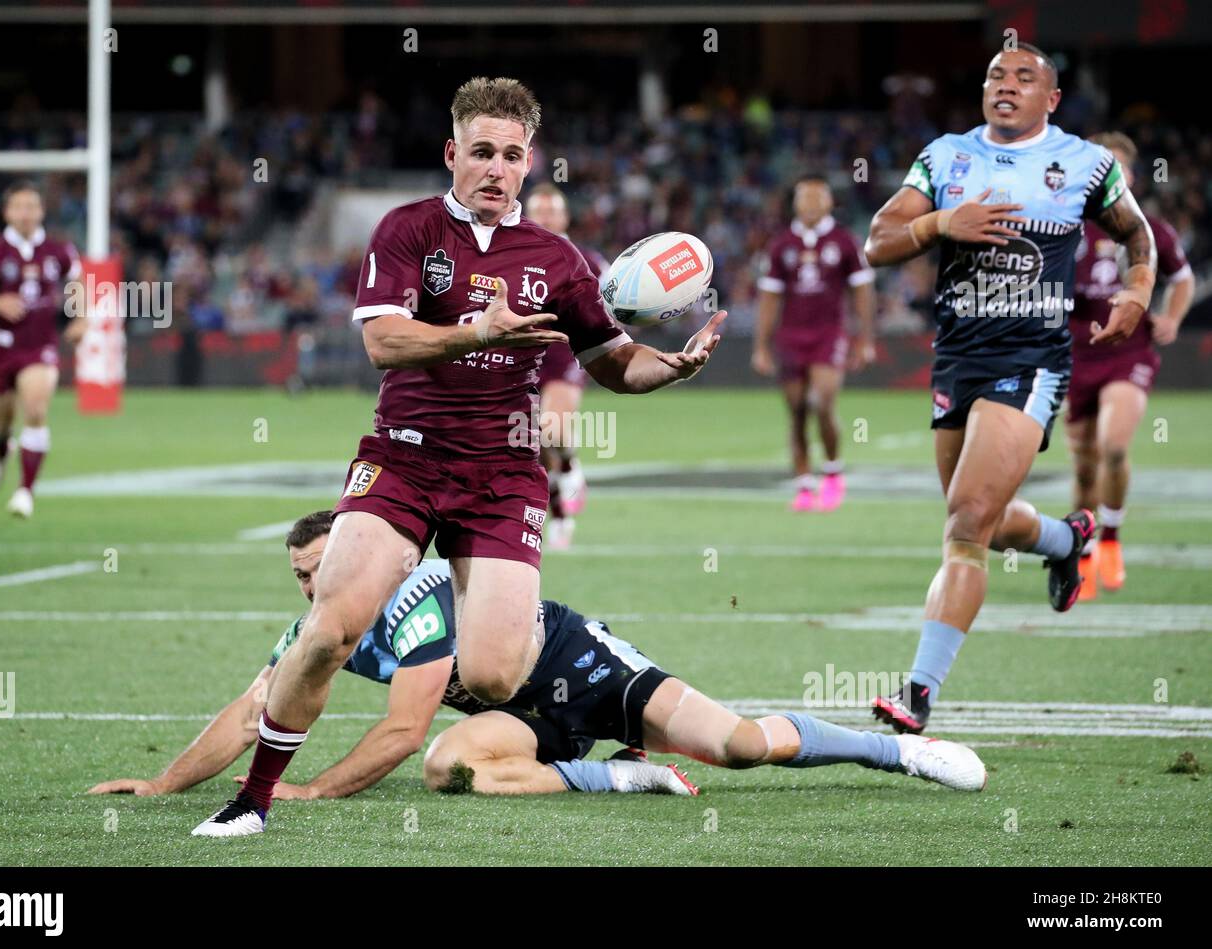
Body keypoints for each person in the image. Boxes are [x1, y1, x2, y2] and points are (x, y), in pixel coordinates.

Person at [196, 77, 726, 835]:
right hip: (404, 458)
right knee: (331, 630)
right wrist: (480, 332)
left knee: (492, 673)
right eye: (481, 152)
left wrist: (667, 367)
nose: (495, 169)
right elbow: (384, 342)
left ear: (528, 163)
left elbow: (613, 360)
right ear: (453, 153)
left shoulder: (558, 257)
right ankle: (253, 799)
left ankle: (591, 743)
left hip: (504, 472)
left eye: (511, 156)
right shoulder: (409, 230)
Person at [90, 512, 986, 831]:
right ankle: (622, 779)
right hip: (520, 716)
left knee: (742, 747)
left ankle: (895, 753)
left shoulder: (415, 599)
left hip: (579, 668)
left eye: (321, 569)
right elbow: (254, 712)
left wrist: (316, 794)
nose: (311, 586)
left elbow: (403, 727)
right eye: (299, 576)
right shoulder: (321, 629)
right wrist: (166, 783)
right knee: (455, 767)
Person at [863, 44, 1155, 732]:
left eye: (1026, 78)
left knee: (965, 526)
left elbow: (1137, 237)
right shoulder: (945, 158)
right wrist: (940, 224)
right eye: (998, 75)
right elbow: (876, 242)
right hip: (956, 357)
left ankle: (917, 695)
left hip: (1030, 360)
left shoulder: (1087, 163)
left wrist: (1138, 294)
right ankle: (1063, 538)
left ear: (1051, 99)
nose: (1007, 85)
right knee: (981, 524)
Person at [1066, 132, 1195, 600]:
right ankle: (1079, 552)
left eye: (1118, 168)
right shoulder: (1064, 224)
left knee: (1113, 446)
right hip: (1075, 354)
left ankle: (1113, 537)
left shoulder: (1150, 229)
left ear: (1131, 176)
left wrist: (1173, 317)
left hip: (1128, 353)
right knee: (1082, 467)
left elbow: (1182, 278)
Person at [0, 181, 86, 519]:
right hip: (1, 350)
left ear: (41, 211)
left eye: (32, 206)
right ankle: (0, 452)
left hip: (40, 347)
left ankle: (25, 491)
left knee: (36, 410)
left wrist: (82, 318)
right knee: (1, 420)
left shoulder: (59, 250)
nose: (25, 213)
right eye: (19, 207)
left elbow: (79, 285)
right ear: (7, 212)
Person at [752, 174, 877, 512]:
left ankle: (833, 472)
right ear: (795, 203)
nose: (809, 204)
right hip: (791, 337)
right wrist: (761, 346)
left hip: (829, 334)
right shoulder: (781, 244)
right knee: (796, 411)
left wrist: (864, 338)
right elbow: (769, 298)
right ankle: (805, 484)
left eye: (816, 198)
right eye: (803, 198)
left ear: (828, 202)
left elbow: (862, 290)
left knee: (823, 401)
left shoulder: (844, 240)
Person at [523, 183, 609, 549]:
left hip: (568, 351)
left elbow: (612, 306)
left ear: (564, 216)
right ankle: (559, 511)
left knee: (552, 428)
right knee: (532, 444)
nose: (544, 216)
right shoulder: (511, 254)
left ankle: (571, 464)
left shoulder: (587, 259)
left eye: (551, 210)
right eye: (537, 210)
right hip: (524, 351)